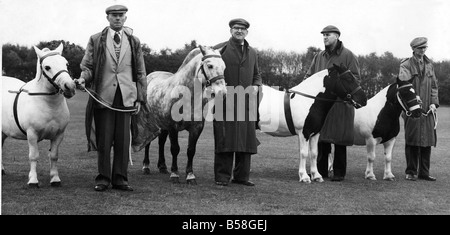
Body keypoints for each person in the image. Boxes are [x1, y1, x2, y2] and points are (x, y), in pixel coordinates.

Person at [75, 5, 147, 191]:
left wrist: (140, 98)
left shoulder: (134, 41)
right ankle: (103, 179)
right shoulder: (96, 39)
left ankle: (120, 179)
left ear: (125, 18)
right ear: (107, 17)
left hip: (126, 97)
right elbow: (88, 66)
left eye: (121, 15)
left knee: (123, 141)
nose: (117, 18)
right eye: (114, 15)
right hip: (103, 97)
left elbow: (140, 71)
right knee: (104, 140)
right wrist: (83, 78)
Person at [304, 25, 361, 181]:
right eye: (323, 35)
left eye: (328, 35)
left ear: (337, 36)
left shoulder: (349, 56)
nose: (324, 37)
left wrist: (344, 94)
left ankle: (339, 172)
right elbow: (309, 76)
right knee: (320, 138)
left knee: (340, 140)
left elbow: (355, 80)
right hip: (322, 105)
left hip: (341, 104)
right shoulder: (319, 56)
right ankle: (320, 170)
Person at [212, 18, 262, 186]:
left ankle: (242, 177)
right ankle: (222, 177)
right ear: (231, 30)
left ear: (247, 31)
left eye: (242, 29)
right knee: (225, 138)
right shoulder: (219, 49)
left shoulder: (253, 52)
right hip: (224, 100)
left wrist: (256, 85)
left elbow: (257, 74)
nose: (239, 31)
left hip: (246, 101)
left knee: (246, 139)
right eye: (236, 28)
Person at [399, 37, 439, 181]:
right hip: (412, 108)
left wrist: (434, 103)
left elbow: (434, 86)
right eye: (420, 48)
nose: (423, 50)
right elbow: (404, 86)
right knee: (412, 140)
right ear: (414, 49)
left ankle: (424, 172)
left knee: (427, 141)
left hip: (428, 109)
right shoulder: (406, 65)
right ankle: (411, 172)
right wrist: (415, 99)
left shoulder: (430, 65)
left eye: (425, 48)